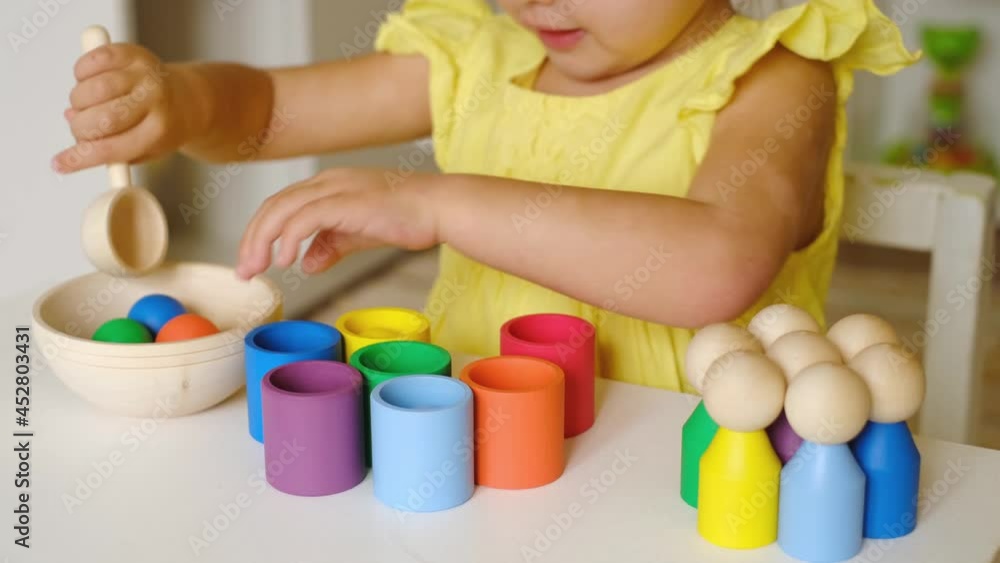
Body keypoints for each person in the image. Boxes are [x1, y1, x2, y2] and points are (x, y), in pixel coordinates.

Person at [54, 0, 917, 391]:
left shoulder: (772, 78)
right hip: (471, 450)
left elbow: (715, 263)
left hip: (686, 490)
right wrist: (182, 101)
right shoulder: (475, 53)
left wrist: (433, 204)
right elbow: (269, 111)